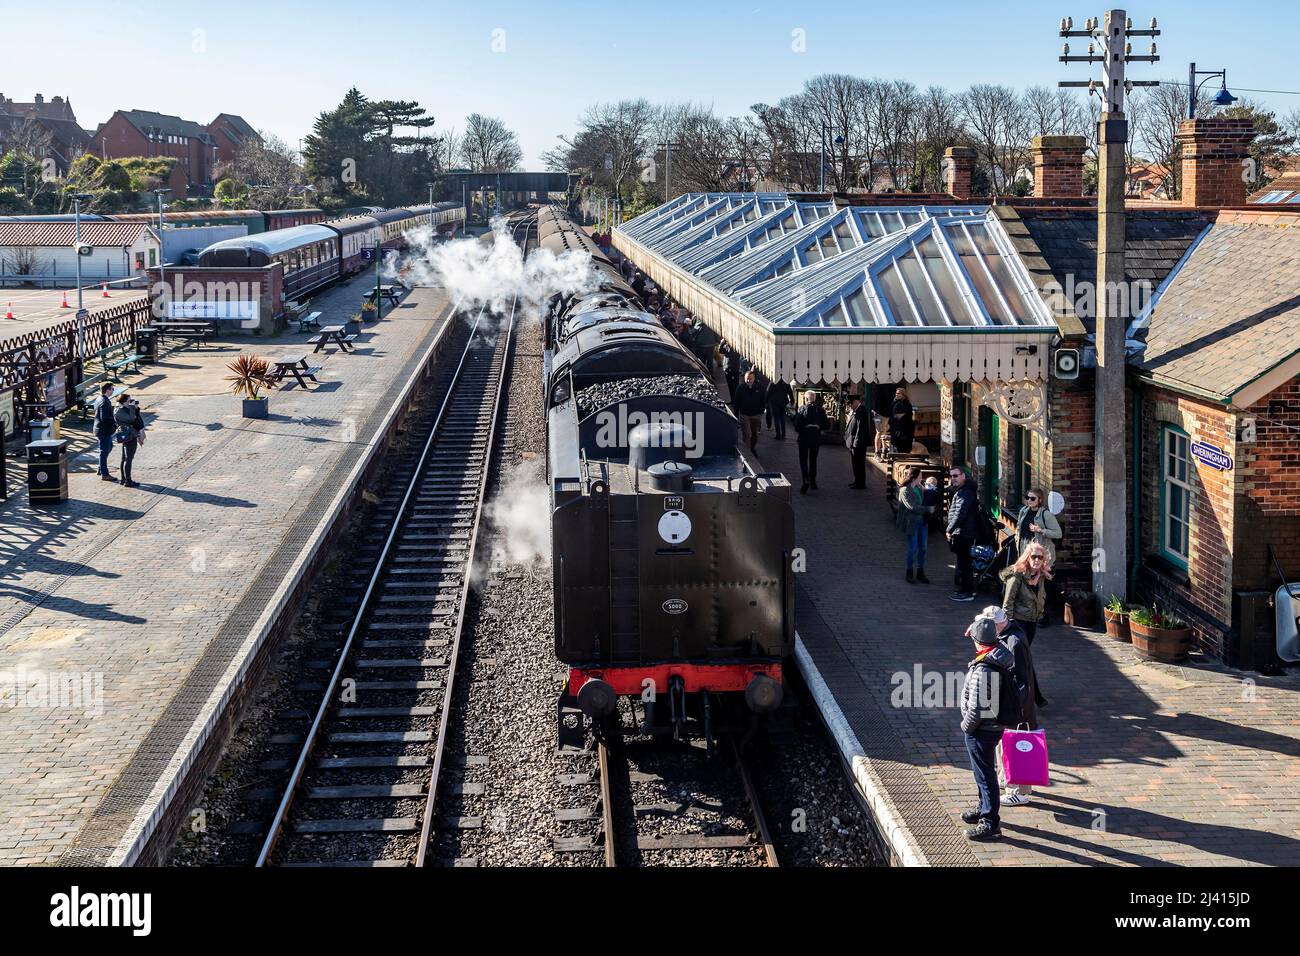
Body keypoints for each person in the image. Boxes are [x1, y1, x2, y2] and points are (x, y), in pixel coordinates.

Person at [958, 616, 1014, 841]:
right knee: (984, 772)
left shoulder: (984, 669)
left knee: (985, 775)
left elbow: (978, 708)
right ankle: (983, 808)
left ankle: (990, 822)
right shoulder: (999, 655)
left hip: (982, 730)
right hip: (992, 726)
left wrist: (966, 727)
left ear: (978, 642)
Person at [1000, 542, 1051, 707]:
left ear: (1044, 560)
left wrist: (1041, 613)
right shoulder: (1017, 576)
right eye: (1033, 556)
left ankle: (1011, 692)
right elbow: (1007, 604)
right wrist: (1007, 628)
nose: (1036, 560)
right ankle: (1036, 697)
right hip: (1017, 623)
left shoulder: (1041, 576)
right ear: (1027, 557)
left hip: (1031, 624)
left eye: (1040, 557)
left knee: (1019, 660)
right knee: (1025, 659)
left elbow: (1040, 599)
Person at [946, 465, 978, 602]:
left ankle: (967, 592)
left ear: (963, 476)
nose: (953, 479)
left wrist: (949, 529)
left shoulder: (965, 493)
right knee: (964, 563)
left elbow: (960, 514)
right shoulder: (964, 490)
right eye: (951, 476)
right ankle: (967, 589)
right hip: (964, 532)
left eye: (956, 476)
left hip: (964, 533)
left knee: (964, 564)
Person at [897, 467, 933, 582]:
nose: (922, 478)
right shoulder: (905, 490)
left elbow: (927, 497)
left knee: (923, 548)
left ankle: (920, 572)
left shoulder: (918, 488)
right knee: (913, 548)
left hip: (922, 522)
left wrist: (926, 490)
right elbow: (912, 507)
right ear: (915, 477)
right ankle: (909, 572)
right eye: (920, 476)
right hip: (912, 522)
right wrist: (928, 509)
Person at [1012, 487, 1062, 565]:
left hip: (1039, 553)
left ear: (1040, 500)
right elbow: (1019, 526)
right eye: (1027, 497)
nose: (1029, 500)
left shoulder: (1046, 515)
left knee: (1037, 576)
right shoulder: (1023, 511)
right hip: (1024, 549)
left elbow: (1058, 534)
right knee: (1025, 574)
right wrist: (1016, 538)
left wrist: (1040, 530)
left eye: (1032, 498)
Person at [794, 391, 828, 494]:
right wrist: (818, 427)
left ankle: (805, 480)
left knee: (803, 460)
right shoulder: (820, 410)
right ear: (814, 398)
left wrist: (805, 428)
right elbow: (826, 425)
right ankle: (813, 482)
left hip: (804, 438)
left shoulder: (801, 409)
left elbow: (797, 426)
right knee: (813, 460)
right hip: (815, 438)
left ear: (806, 399)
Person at [113, 393, 146, 488]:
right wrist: (132, 407)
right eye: (128, 401)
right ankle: (128, 480)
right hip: (128, 435)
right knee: (128, 458)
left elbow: (135, 417)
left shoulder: (123, 408)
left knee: (125, 458)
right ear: (123, 402)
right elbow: (131, 419)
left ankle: (124, 479)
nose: (130, 402)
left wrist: (135, 408)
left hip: (128, 434)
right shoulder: (119, 410)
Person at [732, 369, 766, 454]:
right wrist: (736, 414)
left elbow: (764, 400)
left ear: (754, 379)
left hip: (756, 414)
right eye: (747, 378)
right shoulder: (740, 388)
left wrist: (761, 411)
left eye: (750, 379)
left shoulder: (760, 387)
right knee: (746, 434)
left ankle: (752, 448)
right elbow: (736, 401)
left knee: (754, 434)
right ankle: (748, 453)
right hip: (744, 414)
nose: (748, 380)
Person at [92, 382, 117, 482]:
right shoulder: (104, 402)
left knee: (108, 447)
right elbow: (104, 418)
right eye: (112, 389)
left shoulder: (99, 398)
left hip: (100, 429)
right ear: (107, 390)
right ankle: (104, 473)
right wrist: (114, 422)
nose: (113, 391)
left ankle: (100, 467)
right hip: (104, 430)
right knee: (104, 451)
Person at [844, 394, 869, 489]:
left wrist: (856, 442)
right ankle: (856, 480)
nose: (850, 406)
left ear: (855, 402)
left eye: (850, 404)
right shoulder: (856, 411)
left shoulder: (861, 411)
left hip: (858, 443)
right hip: (854, 442)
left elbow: (861, 428)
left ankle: (860, 483)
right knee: (855, 463)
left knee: (859, 463)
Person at [889, 386, 914, 453]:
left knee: (904, 449)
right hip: (897, 429)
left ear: (903, 395)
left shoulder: (906, 404)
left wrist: (896, 416)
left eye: (899, 393)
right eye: (896, 393)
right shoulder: (895, 402)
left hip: (904, 430)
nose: (896, 394)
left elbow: (902, 415)